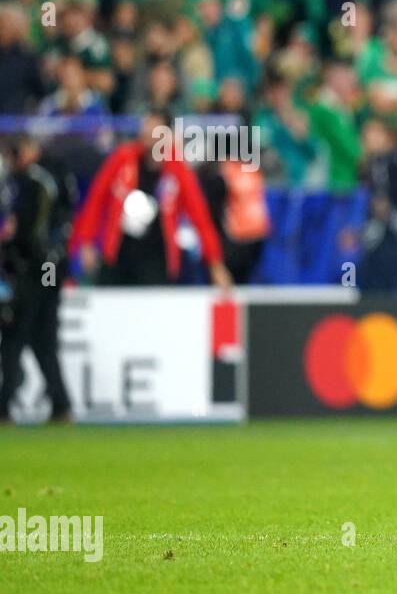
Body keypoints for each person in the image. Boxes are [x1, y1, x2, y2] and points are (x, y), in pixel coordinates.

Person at [69, 115, 233, 289]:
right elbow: (96, 199)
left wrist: (215, 263)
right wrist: (86, 242)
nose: (148, 134)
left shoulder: (178, 171)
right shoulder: (122, 159)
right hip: (117, 254)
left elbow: (200, 217)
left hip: (157, 258)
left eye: (154, 130)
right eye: (146, 128)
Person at [0, 137, 74, 423]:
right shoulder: (46, 177)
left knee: (16, 331)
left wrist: (13, 249)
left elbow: (36, 232)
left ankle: (4, 404)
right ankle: (60, 403)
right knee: (42, 337)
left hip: (41, 267)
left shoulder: (36, 180)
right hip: (49, 266)